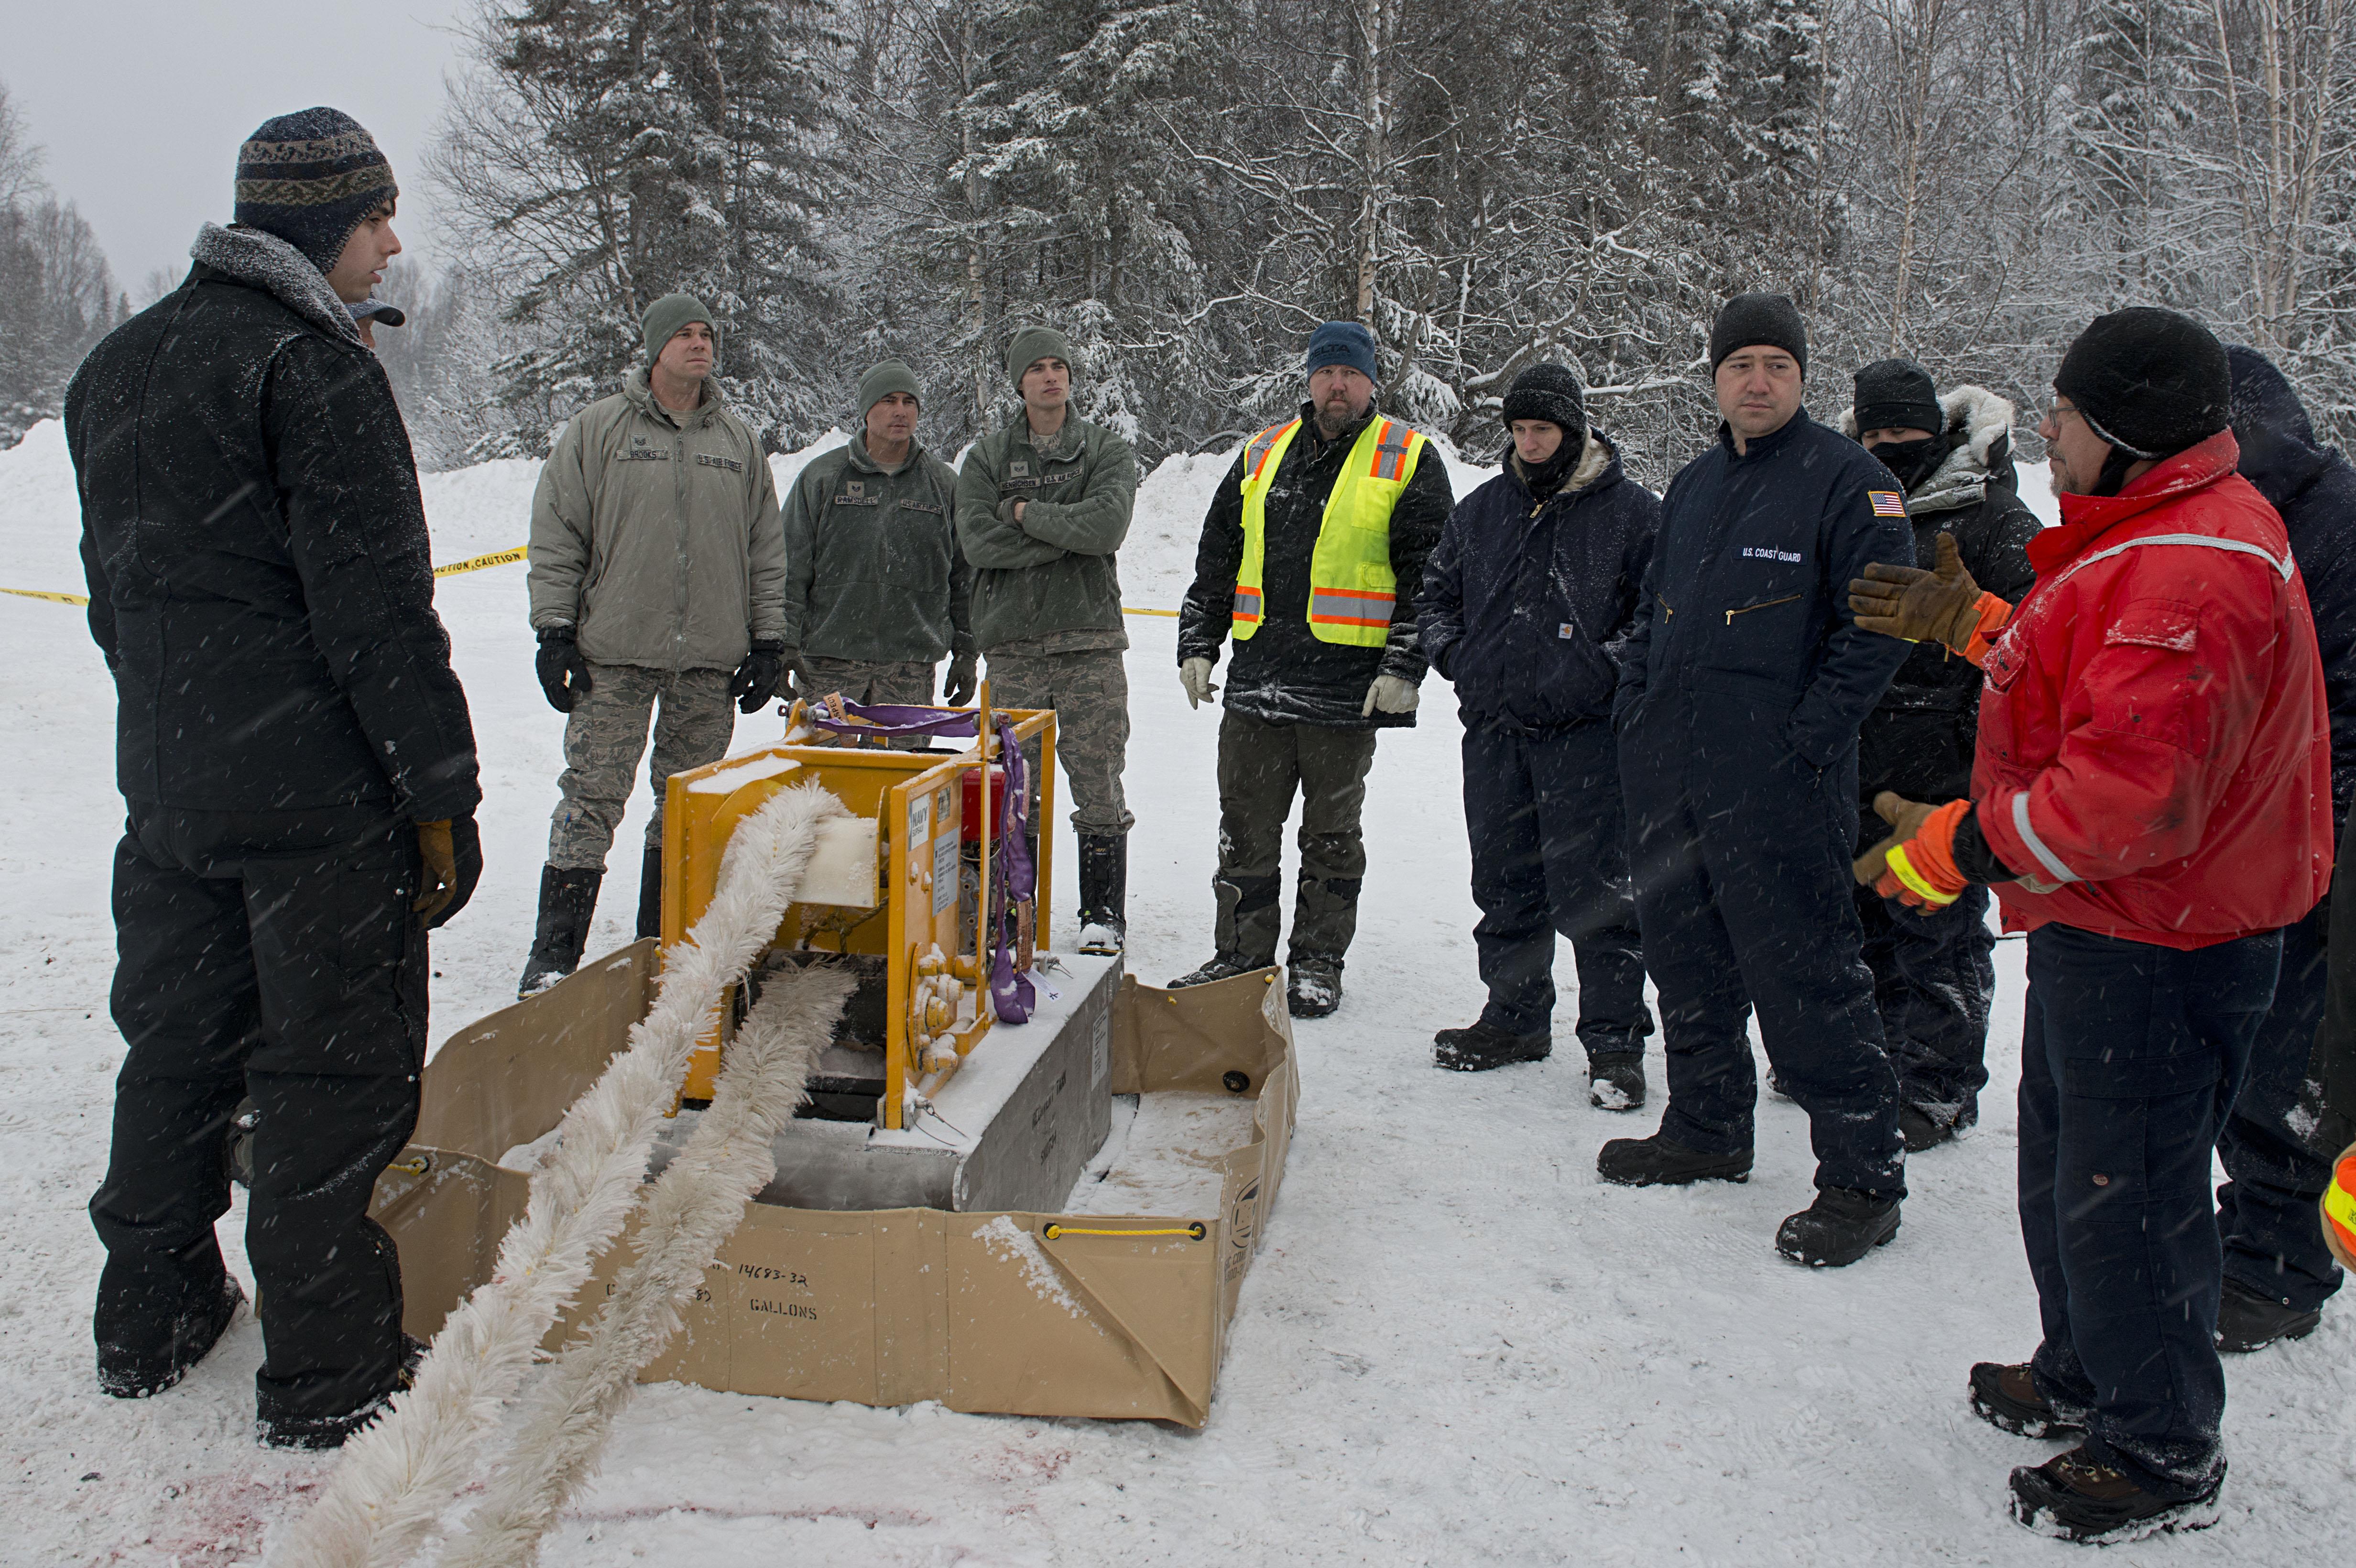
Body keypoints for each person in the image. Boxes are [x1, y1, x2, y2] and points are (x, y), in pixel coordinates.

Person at [1852, 307, 2329, 1540]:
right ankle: (2086, 1367)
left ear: (2123, 432)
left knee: (2134, 1188)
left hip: (2167, 938)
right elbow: (2089, 676)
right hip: (2108, 921)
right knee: (2074, 1171)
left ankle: (2162, 1445)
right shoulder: (2146, 535)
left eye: (2061, 414)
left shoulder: (2196, 566)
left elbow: (2133, 797)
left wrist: (1960, 841)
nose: (2044, 432)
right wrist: (1980, 627)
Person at [69, 108, 481, 1449]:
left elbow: (112, 606)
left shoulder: (117, 370)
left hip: (173, 793)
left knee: (178, 1055)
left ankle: (152, 1311)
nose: (393, 243)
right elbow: (378, 614)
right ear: (320, 228)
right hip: (317, 815)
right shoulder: (314, 371)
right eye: (378, 220)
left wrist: (189, 741)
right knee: (329, 1074)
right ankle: (328, 1369)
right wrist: (440, 791)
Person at [1603, 293, 1914, 1268]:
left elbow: (1882, 627)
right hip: (1673, 779)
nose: (1757, 381)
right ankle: (1705, 1124)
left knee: (1807, 975)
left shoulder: (1850, 483)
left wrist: (1807, 743)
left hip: (1781, 785)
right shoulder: (1691, 487)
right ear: (1714, 378)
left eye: (1776, 364)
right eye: (1740, 364)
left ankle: (1862, 1177)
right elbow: (1658, 622)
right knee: (1685, 961)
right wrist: (1639, 719)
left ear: (1801, 378)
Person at [1170, 321, 1452, 1016]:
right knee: (1244, 829)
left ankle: (1319, 962)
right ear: (1309, 379)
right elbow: (1217, 562)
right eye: (1326, 372)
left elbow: (1434, 575)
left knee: (1331, 836)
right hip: (1259, 683)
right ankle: (1240, 955)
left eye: (1350, 374)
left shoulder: (1408, 458)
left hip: (1345, 694)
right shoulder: (1262, 455)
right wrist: (1197, 643)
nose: (1337, 385)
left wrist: (1405, 665)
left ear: (1372, 383)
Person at [521, 293, 787, 992]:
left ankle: (661, 947)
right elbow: (558, 535)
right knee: (591, 797)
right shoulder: (599, 430)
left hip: (707, 664)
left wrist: (767, 641)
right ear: (655, 347)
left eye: (707, 334)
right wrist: (554, 630)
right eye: (685, 335)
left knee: (687, 810)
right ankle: (553, 958)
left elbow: (766, 549)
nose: (699, 344)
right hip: (613, 654)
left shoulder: (736, 441)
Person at [1419, 363, 1656, 1100]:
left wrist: (1604, 674)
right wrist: (1456, 658)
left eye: (1542, 430)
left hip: (1585, 736)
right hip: (1494, 731)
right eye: (1519, 430)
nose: (1529, 442)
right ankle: (1515, 1017)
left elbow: (1655, 618)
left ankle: (1615, 1044)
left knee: (1598, 893)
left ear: (1574, 429)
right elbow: (1435, 595)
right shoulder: (1483, 510)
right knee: (1504, 880)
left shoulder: (1634, 515)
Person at [1839, 360, 2040, 1152]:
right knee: (1858, 920)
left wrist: (1967, 743)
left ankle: (1938, 1083)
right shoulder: (1850, 506)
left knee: (1938, 930)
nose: (1892, 446)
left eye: (1906, 432)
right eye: (1877, 433)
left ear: (1938, 430)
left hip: (1943, 760)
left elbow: (2033, 635)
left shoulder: (1994, 519)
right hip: (1853, 747)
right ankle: (1871, 1055)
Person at [2204, 347, 2356, 1350]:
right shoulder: (2243, 517)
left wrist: (2311, 815)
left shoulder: (2325, 522)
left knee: (2299, 1063)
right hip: (2258, 830)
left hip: (2322, 833)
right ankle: (2254, 1241)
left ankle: (2274, 1268)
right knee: (2258, 1042)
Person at [954, 326, 1139, 953]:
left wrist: (1026, 514)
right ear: (1019, 382)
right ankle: (1012, 908)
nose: (1050, 376)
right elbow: (978, 543)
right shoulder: (986, 458)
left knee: (1099, 780)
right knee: (1013, 790)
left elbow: (1107, 526)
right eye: (1037, 368)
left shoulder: (1104, 450)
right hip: (1013, 647)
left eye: (1060, 365)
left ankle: (1102, 916)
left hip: (1089, 643)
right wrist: (1068, 530)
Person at [781, 360, 974, 725]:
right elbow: (789, 567)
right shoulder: (823, 478)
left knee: (903, 775)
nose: (900, 411)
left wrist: (966, 650)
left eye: (909, 402)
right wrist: (783, 641)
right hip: (828, 666)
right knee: (822, 778)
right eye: (888, 400)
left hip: (909, 670)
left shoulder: (942, 484)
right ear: (867, 409)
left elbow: (966, 576)